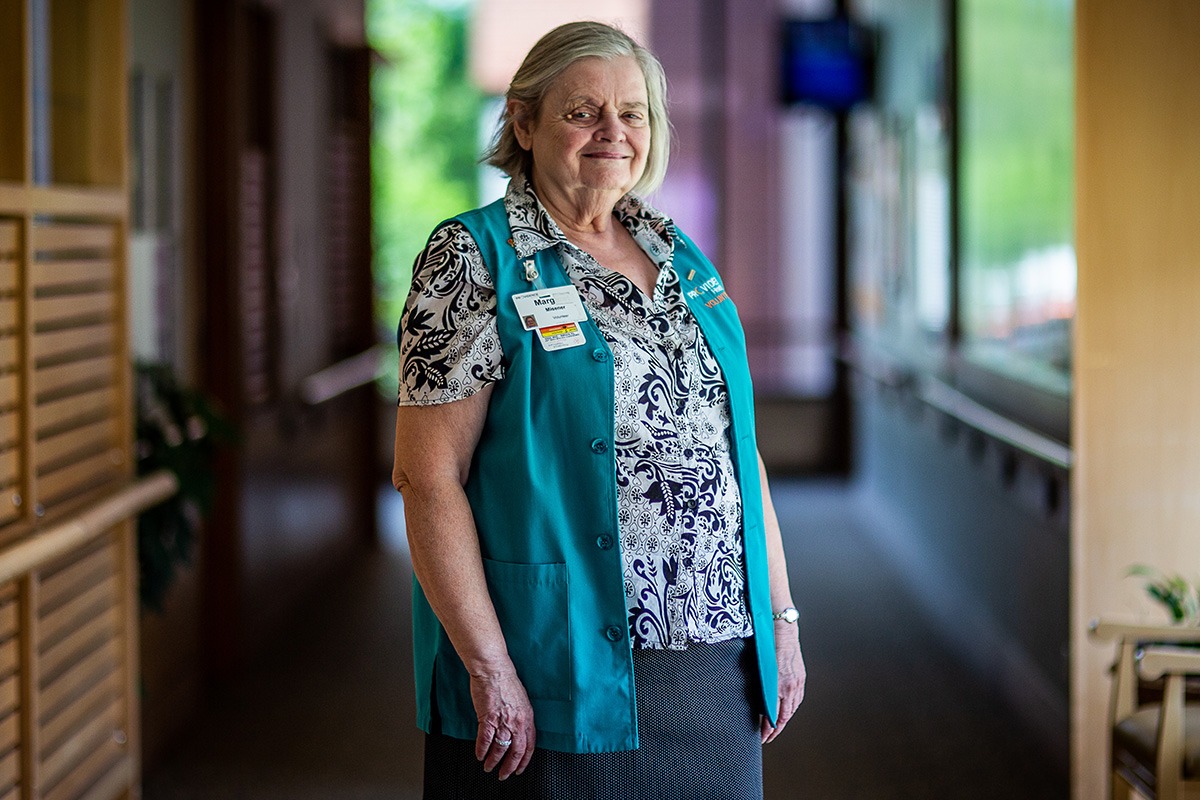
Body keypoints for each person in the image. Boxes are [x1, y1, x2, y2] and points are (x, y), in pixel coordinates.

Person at [392, 20, 806, 799]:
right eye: (582, 112)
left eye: (634, 113)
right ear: (524, 121)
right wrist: (489, 665)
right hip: (551, 660)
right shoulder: (473, 258)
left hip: (716, 663)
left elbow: (735, 452)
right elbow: (427, 476)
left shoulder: (681, 257)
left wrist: (781, 621)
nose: (613, 133)